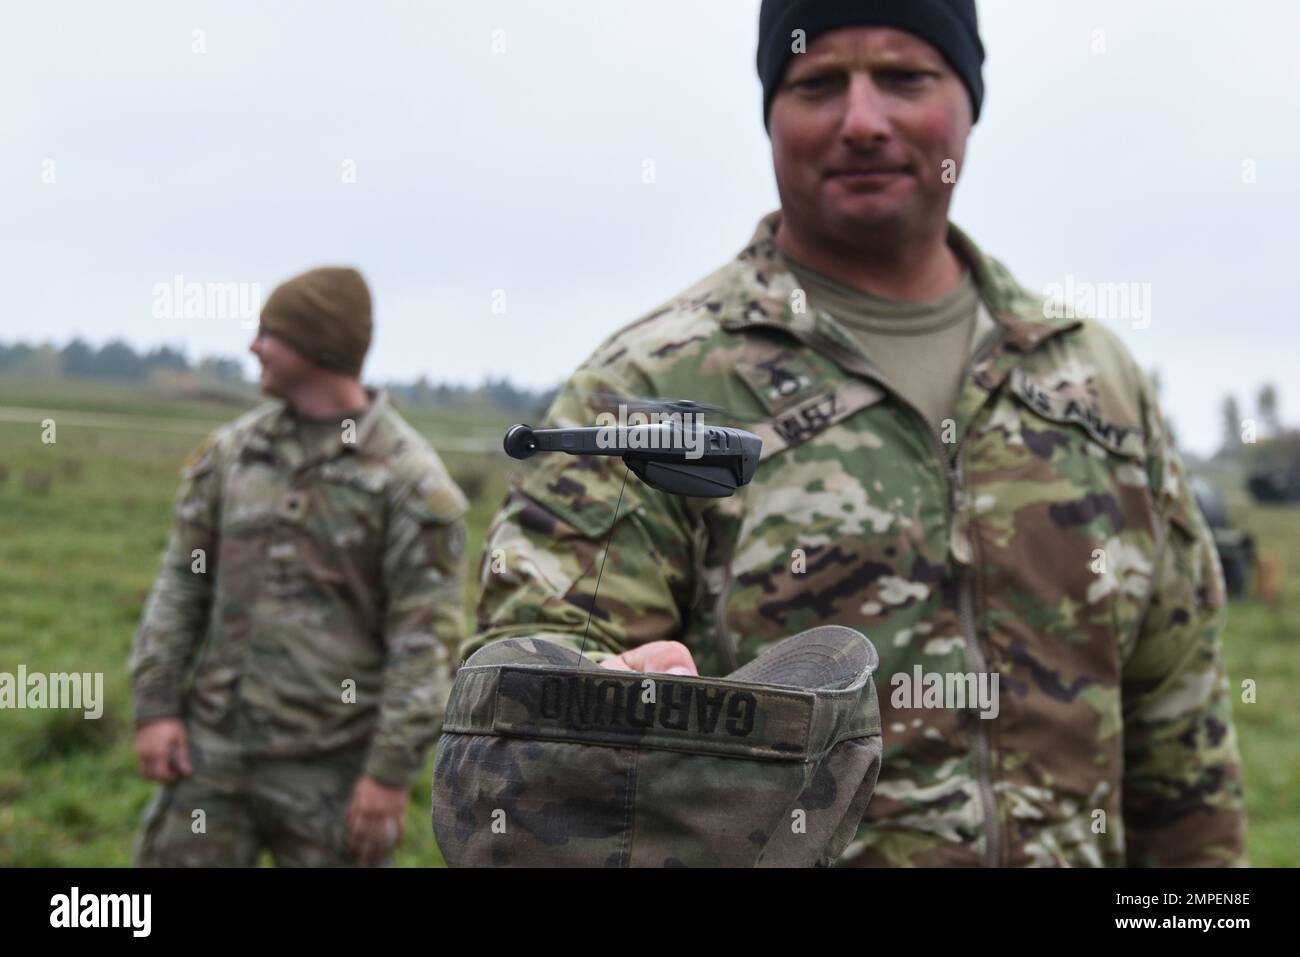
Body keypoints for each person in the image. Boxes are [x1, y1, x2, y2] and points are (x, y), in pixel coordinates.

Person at [471, 0, 1247, 866]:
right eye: (818, 84)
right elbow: (522, 699)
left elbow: (1178, 716)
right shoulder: (651, 386)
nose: (863, 121)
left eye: (906, 77)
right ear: (770, 112)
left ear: (968, 100)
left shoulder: (1096, 382)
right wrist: (584, 704)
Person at [130, 266, 468, 866]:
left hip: (334, 775)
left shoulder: (409, 481)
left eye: (269, 333)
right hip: (212, 755)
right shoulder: (234, 455)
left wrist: (389, 775)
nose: (253, 346)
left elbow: (426, 642)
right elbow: (182, 582)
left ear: (317, 346)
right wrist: (156, 706)